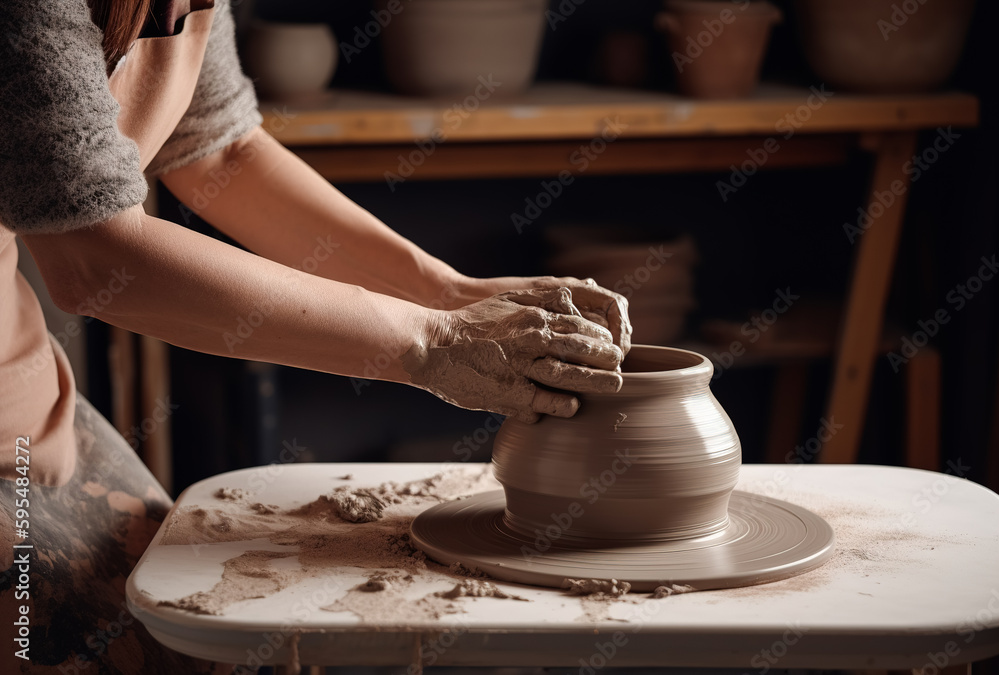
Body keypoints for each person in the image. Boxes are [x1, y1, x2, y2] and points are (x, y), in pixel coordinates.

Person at [0, 0, 630, 671]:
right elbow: (94, 255)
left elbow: (218, 151)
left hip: (22, 381)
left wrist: (450, 293)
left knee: (195, 636)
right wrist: (433, 341)